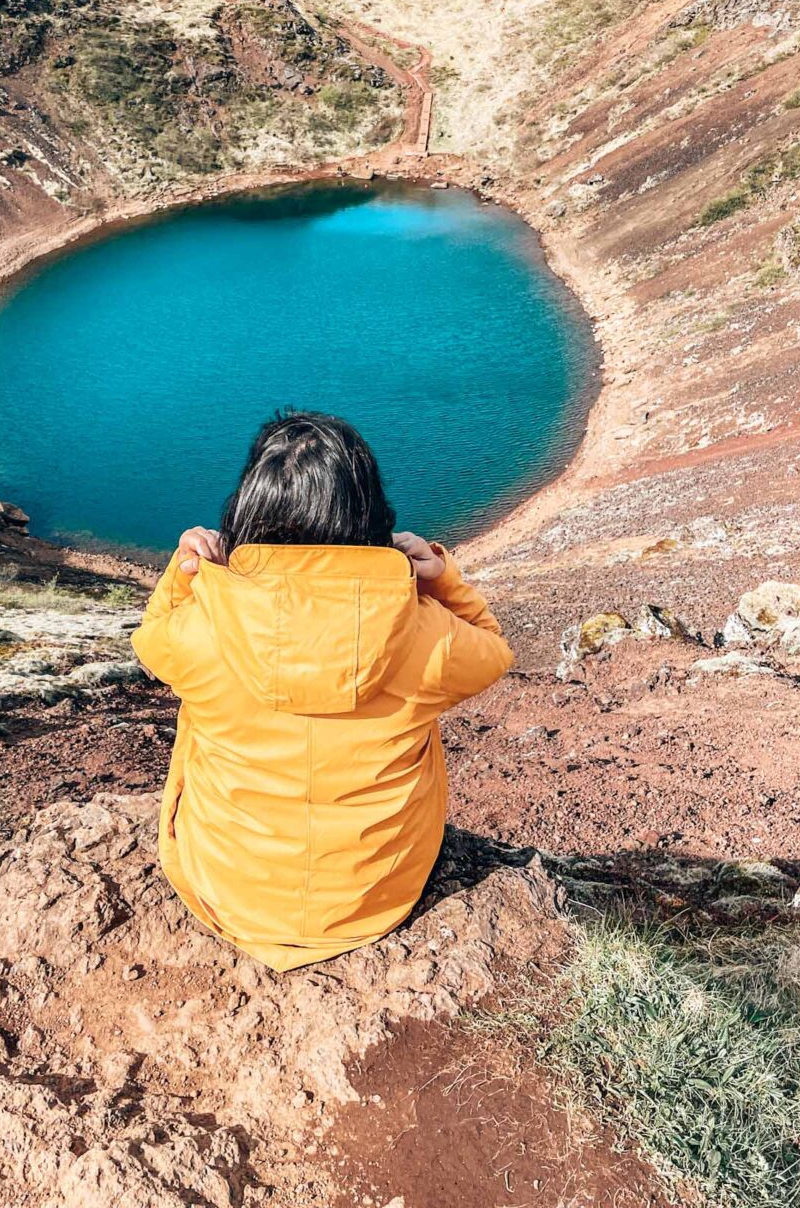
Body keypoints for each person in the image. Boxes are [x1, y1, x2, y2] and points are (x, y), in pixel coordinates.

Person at [132, 411, 514, 972]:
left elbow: (150, 642)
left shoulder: (202, 627)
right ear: (369, 513)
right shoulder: (427, 633)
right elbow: (494, 648)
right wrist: (440, 575)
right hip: (376, 898)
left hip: (228, 890)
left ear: (247, 510)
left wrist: (186, 572)